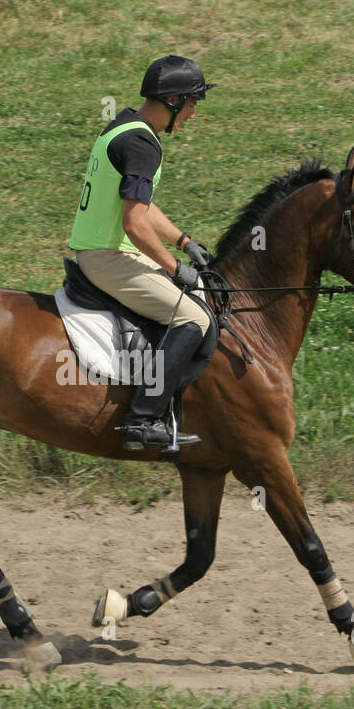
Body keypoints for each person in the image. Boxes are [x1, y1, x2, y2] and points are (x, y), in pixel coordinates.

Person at [68, 55, 218, 450]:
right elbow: (135, 225)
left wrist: (184, 241)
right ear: (172, 99)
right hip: (108, 256)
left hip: (100, 250)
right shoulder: (142, 143)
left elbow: (143, 207)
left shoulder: (123, 126)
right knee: (193, 318)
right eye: (191, 104)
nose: (193, 114)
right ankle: (143, 418)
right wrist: (174, 268)